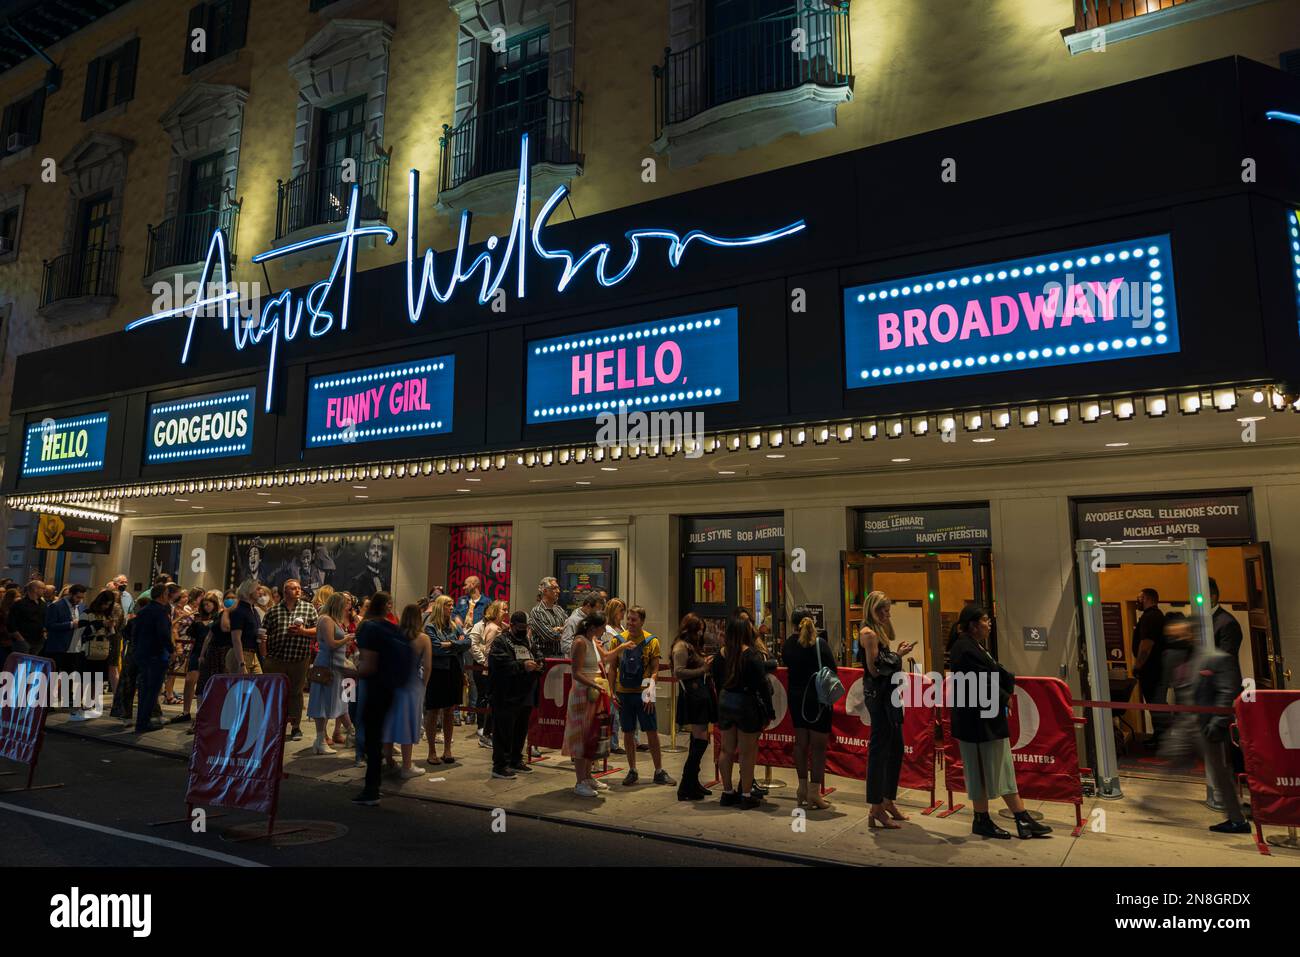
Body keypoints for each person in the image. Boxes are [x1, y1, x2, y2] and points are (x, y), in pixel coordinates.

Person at [946, 603, 1052, 840]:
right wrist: (1004, 697)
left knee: (986, 771)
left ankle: (988, 818)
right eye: (985, 619)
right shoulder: (965, 649)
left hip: (979, 721)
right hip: (979, 723)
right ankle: (1018, 817)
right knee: (995, 769)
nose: (989, 623)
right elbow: (982, 681)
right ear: (973, 625)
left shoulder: (973, 646)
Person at [857, 591, 913, 826]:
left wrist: (894, 653)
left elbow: (884, 655)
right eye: (883, 610)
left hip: (890, 694)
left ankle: (887, 799)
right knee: (879, 750)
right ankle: (875, 807)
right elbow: (874, 670)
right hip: (879, 696)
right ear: (872, 610)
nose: (886, 614)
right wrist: (897, 656)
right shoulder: (868, 634)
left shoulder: (879, 631)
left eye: (888, 610)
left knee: (897, 747)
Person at [352, 592, 412, 806]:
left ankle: (371, 789)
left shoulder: (368, 628)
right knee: (377, 736)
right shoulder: (392, 628)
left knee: (371, 738)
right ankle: (375, 783)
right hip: (392, 689)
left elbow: (368, 665)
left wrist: (350, 672)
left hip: (374, 687)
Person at [562, 613, 632, 796]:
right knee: (581, 737)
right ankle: (580, 781)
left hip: (595, 692)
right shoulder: (580, 642)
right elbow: (576, 672)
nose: (604, 631)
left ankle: (587, 777)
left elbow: (606, 658)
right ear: (593, 627)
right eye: (602, 628)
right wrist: (595, 684)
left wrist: (622, 647)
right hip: (583, 693)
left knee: (592, 736)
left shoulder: (592, 641)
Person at [711, 614, 772, 808]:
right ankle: (746, 795)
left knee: (726, 750)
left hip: (725, 701)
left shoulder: (720, 655)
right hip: (746, 704)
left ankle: (727, 792)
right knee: (747, 753)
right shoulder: (751, 655)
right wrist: (769, 711)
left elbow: (716, 680)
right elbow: (762, 684)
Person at [785, 605, 841, 811]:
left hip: (796, 698)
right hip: (818, 699)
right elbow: (833, 670)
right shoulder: (820, 644)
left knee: (800, 744)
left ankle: (801, 789)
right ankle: (814, 793)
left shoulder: (788, 645)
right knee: (818, 747)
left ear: (792, 624)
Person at [616, 605, 675, 787]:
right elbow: (612, 668)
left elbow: (655, 669)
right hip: (624, 692)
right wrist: (612, 692)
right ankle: (632, 770)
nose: (630, 623)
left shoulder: (651, 641)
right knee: (627, 731)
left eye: (634, 620)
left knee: (651, 731)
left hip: (644, 692)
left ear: (642, 621)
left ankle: (659, 770)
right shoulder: (618, 640)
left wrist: (649, 691)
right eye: (629, 619)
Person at [263, 578, 319, 742]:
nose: (298, 591)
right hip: (276, 658)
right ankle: (274, 725)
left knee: (296, 693)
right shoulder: (273, 611)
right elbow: (263, 634)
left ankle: (295, 727)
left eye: (299, 588)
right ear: (285, 591)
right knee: (274, 693)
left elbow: (317, 630)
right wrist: (265, 655)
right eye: (294, 588)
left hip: (299, 658)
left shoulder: (308, 609)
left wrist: (303, 631)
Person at [489, 610, 544, 778]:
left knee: (520, 729)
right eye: (520, 627)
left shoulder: (528, 641)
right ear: (511, 625)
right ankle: (500, 766)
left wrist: (539, 664)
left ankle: (515, 759)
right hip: (506, 694)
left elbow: (539, 655)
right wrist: (522, 666)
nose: (523, 630)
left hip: (526, 693)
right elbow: (500, 665)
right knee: (503, 731)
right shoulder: (500, 642)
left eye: (525, 627)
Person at [383, 604, 432, 777]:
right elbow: (427, 667)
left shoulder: (394, 635)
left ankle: (388, 759)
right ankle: (407, 766)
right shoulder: (423, 638)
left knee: (390, 721)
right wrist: (423, 685)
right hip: (412, 685)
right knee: (408, 724)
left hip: (393, 683)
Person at [671, 613, 715, 801]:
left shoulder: (691, 646)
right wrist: (702, 669)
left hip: (699, 695)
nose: (700, 634)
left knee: (699, 738)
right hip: (693, 697)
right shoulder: (681, 646)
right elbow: (678, 672)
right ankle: (686, 784)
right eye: (698, 630)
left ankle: (692, 782)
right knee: (701, 739)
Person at [423, 594, 470, 765]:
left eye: (452, 605)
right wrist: (456, 644)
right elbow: (435, 648)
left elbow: (468, 643)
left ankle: (447, 750)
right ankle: (431, 751)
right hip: (437, 672)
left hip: (454, 671)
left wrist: (449, 644)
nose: (451, 608)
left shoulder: (455, 625)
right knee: (433, 711)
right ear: (440, 607)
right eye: (448, 605)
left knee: (450, 710)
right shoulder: (430, 627)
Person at [308, 591, 353, 753]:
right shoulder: (326, 619)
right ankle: (320, 740)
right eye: (344, 605)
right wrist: (347, 638)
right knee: (322, 702)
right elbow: (331, 644)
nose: (346, 608)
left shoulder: (334, 620)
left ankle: (349, 733)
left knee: (338, 702)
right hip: (327, 666)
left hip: (337, 666)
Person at [133, 584, 180, 734]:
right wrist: (172, 650)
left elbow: (134, 632)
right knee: (152, 691)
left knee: (144, 689)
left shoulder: (144, 611)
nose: (170, 597)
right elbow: (163, 634)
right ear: (162, 596)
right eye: (167, 594)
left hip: (142, 654)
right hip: (156, 655)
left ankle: (141, 721)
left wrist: (136, 649)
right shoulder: (160, 613)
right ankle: (143, 722)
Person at [79, 589, 122, 720]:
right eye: (105, 604)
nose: (106, 607)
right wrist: (100, 624)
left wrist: (110, 626)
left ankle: (91, 702)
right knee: (87, 677)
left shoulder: (106, 615)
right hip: (88, 649)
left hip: (103, 650)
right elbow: (82, 631)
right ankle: (85, 702)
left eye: (109, 604)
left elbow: (112, 634)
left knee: (98, 678)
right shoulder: (87, 614)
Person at [1133, 587, 1167, 747]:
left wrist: (1138, 665)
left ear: (1147, 598)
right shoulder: (1155, 616)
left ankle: (1163, 738)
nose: (1137, 601)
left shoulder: (1150, 617)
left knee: (1156, 704)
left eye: (1139, 598)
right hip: (1154, 669)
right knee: (1155, 704)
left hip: (1151, 670)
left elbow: (1146, 645)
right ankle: (1160, 736)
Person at [181, 592, 220, 731]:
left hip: (211, 654)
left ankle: (203, 716)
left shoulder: (218, 619)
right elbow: (189, 632)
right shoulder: (198, 620)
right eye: (204, 604)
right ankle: (186, 711)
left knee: (204, 685)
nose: (206, 606)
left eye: (209, 603)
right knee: (190, 680)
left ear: (215, 605)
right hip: (197, 652)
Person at [472, 600, 508, 749]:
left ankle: (488, 734)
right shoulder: (494, 629)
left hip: (493, 670)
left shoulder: (496, 627)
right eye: (503, 610)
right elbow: (490, 652)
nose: (506, 612)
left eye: (507, 609)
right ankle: (487, 735)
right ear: (495, 611)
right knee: (493, 704)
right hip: (493, 671)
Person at [603, 598, 633, 753]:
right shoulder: (608, 630)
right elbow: (610, 653)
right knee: (613, 707)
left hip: (624, 671)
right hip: (612, 670)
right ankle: (613, 743)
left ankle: (631, 739)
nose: (623, 613)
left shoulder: (621, 627)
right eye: (620, 610)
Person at [222, 581, 264, 675]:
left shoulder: (253, 610)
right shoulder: (239, 610)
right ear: (248, 591)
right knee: (240, 687)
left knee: (258, 685)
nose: (261, 592)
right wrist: (241, 663)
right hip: (240, 655)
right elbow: (236, 639)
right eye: (257, 589)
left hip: (253, 654)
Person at [528, 577, 567, 657]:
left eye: (558, 588)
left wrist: (558, 629)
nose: (558, 591)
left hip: (562, 656)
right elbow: (550, 636)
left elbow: (570, 628)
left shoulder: (559, 609)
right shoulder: (537, 611)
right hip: (545, 659)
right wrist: (563, 630)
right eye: (554, 588)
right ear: (545, 591)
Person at [9, 580, 46, 656]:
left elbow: (43, 620)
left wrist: (44, 634)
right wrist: (20, 639)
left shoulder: (42, 604)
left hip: (38, 640)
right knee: (21, 665)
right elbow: (11, 623)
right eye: (43, 588)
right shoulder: (19, 604)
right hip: (23, 639)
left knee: (32, 664)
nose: (44, 591)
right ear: (35, 589)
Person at [561, 592, 604, 657]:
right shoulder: (572, 621)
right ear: (588, 606)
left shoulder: (593, 620)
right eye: (596, 610)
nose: (597, 613)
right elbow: (565, 646)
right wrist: (588, 647)